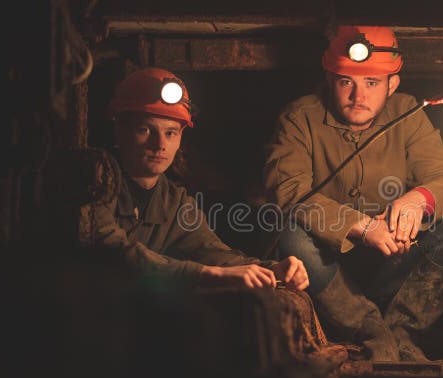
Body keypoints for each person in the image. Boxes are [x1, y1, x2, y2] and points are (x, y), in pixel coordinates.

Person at [264, 26, 443, 361]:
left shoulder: (407, 113)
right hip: (330, 269)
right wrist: (362, 227)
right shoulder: (300, 118)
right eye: (345, 82)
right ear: (329, 79)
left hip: (392, 262)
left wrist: (417, 201)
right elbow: (289, 190)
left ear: (391, 84)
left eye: (371, 83)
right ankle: (372, 331)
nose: (358, 95)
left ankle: (402, 331)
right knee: (291, 237)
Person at [91, 67, 309, 292]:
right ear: (119, 129)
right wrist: (207, 273)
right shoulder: (94, 181)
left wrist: (271, 269)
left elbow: (213, 252)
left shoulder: (173, 201)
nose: (159, 145)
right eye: (145, 130)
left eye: (170, 133)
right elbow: (112, 252)